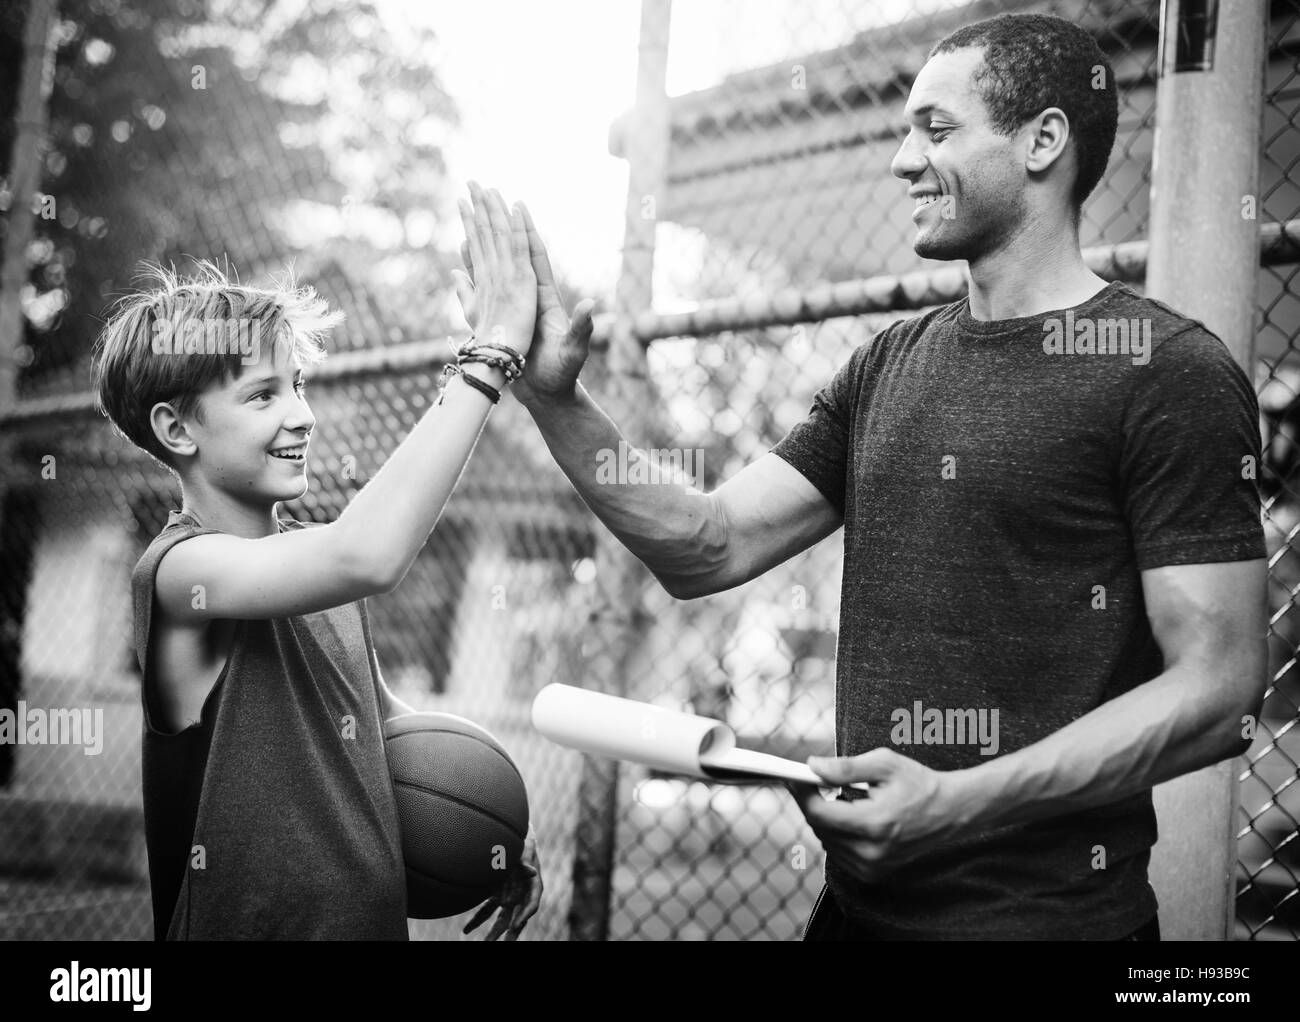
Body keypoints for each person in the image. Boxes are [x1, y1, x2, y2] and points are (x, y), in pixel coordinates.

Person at [490, 12, 1268, 939]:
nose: (903, 159)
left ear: (1043, 141)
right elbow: (709, 543)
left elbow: (1220, 690)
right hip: (855, 917)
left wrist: (961, 801)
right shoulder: (885, 364)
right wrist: (557, 404)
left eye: (936, 130)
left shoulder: (1165, 370)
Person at [93, 184, 542, 940]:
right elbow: (366, 552)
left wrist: (484, 831)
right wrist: (488, 356)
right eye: (263, 395)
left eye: (297, 385)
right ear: (176, 427)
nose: (301, 413)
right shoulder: (180, 576)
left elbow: (388, 732)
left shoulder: (319, 571)